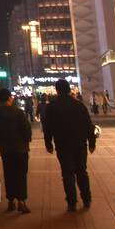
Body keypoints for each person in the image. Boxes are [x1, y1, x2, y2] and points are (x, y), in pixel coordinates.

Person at [41, 78, 95, 211]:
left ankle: (72, 202)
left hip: (62, 144)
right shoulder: (79, 105)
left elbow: (47, 127)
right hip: (80, 144)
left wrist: (48, 143)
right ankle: (86, 199)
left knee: (67, 173)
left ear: (57, 90)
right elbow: (88, 125)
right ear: (69, 89)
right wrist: (92, 142)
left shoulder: (52, 106)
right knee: (82, 171)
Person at [0, 88, 32, 214]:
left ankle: (11, 200)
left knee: (9, 173)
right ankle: (21, 201)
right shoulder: (17, 112)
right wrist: (26, 140)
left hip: (6, 148)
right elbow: (27, 129)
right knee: (21, 174)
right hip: (20, 148)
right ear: (9, 98)